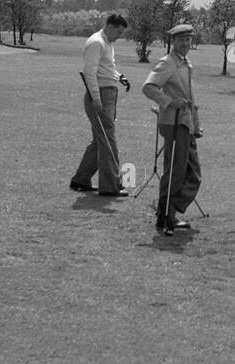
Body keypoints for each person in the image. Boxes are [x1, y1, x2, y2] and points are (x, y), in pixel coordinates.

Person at [142, 23, 202, 231]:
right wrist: (168, 101)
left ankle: (168, 210)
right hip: (173, 122)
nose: (185, 43)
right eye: (181, 40)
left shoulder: (185, 63)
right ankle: (167, 215)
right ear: (173, 42)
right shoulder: (168, 63)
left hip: (185, 122)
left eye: (188, 39)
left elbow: (190, 97)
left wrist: (196, 124)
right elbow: (148, 88)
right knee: (176, 172)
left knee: (193, 173)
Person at [69, 13, 131, 197]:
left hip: (108, 93)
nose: (119, 36)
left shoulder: (107, 43)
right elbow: (90, 71)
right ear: (109, 26)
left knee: (100, 141)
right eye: (118, 32)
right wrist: (96, 98)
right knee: (108, 141)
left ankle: (80, 180)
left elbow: (107, 68)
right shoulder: (96, 42)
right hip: (101, 95)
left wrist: (120, 77)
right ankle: (111, 186)